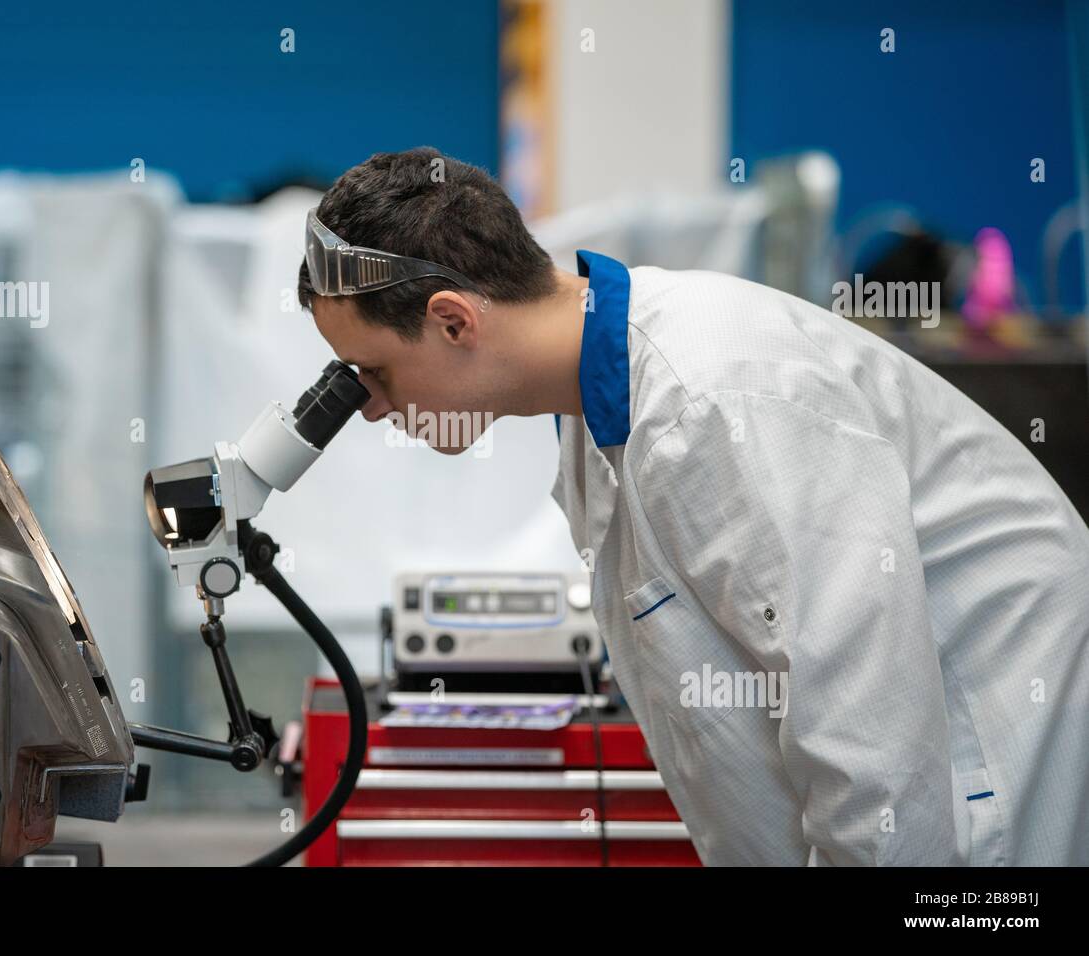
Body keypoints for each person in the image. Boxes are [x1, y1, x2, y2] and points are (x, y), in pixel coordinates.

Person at [297, 147, 1089, 865]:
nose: (367, 407)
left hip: (987, 774)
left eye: (375, 371)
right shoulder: (602, 405)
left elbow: (872, 740)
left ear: (452, 318)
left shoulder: (717, 395)